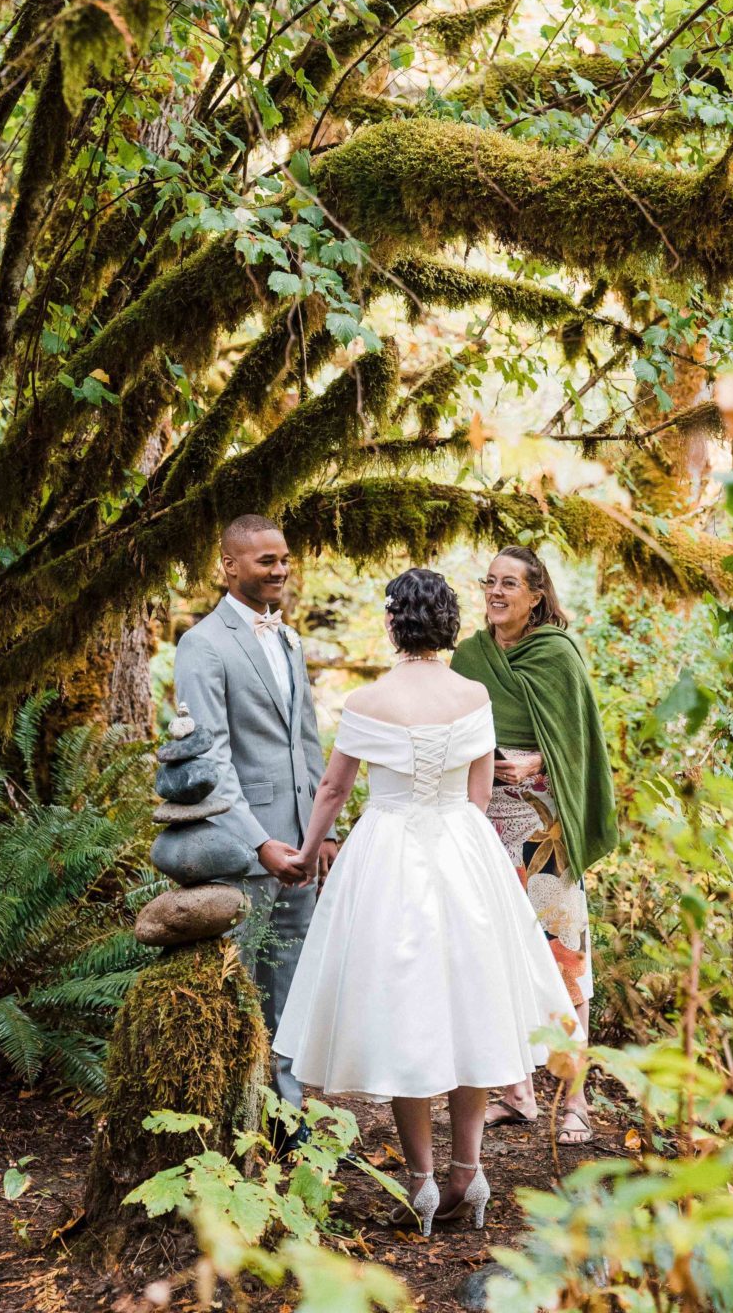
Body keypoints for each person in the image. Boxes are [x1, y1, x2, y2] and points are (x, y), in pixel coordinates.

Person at [271, 568, 580, 1237]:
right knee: (471, 1009)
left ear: (392, 625)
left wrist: (304, 852)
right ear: (446, 627)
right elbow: (475, 794)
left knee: (405, 1014)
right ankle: (469, 1170)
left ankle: (420, 1182)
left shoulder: (366, 700)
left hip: (386, 855)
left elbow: (332, 790)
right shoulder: (472, 694)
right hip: (462, 852)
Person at [451, 546, 618, 1147]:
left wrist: (540, 759)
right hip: (482, 820)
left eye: (509, 584)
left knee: (560, 954)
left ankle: (574, 1100)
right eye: (489, 582)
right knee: (493, 954)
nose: (496, 593)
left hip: (544, 825)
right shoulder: (469, 655)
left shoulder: (557, 654)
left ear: (536, 595)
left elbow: (582, 745)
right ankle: (516, 1092)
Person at [173, 513, 338, 1116]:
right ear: (229, 565)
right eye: (266, 560)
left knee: (291, 980)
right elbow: (209, 760)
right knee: (240, 980)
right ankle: (231, 1111)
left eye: (285, 558)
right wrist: (260, 843)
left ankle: (285, 1112)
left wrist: (323, 833)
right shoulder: (203, 644)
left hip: (300, 842)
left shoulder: (288, 638)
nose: (280, 569)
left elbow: (309, 739)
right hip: (244, 848)